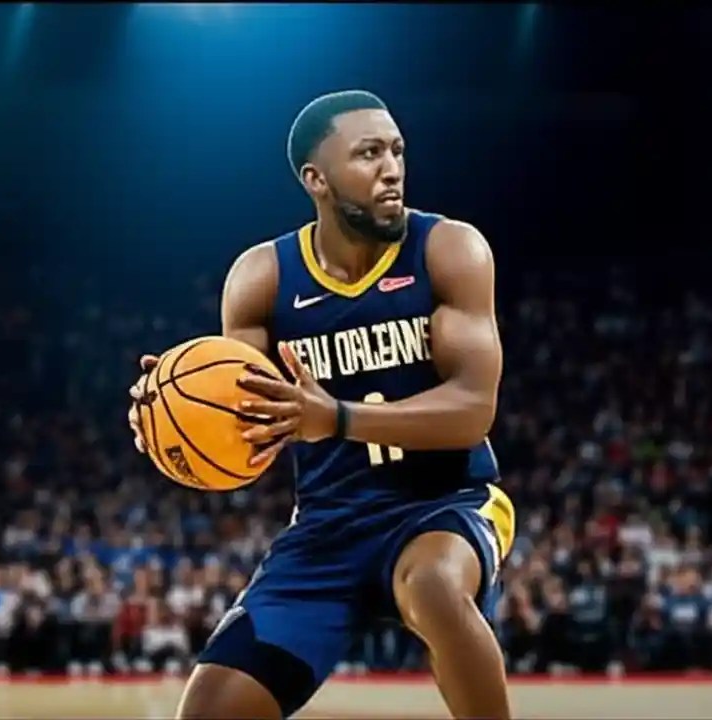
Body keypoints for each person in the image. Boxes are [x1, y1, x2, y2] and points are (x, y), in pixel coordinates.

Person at [126, 90, 514, 719]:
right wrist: (165, 412)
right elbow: (236, 410)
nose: (391, 167)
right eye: (368, 154)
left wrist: (335, 418)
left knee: (437, 589)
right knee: (209, 712)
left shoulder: (448, 250)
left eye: (396, 150)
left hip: (447, 504)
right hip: (328, 524)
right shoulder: (263, 278)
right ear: (317, 178)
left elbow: (472, 410)